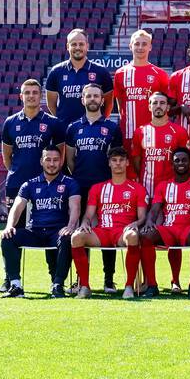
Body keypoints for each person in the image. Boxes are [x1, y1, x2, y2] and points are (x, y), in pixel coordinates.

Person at [0, 78, 65, 292]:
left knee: (50, 227)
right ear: (21, 96)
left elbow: (60, 153)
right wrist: (20, 173)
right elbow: (7, 156)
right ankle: (11, 279)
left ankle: (55, 279)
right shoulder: (10, 122)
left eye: (35, 92)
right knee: (12, 231)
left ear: (41, 96)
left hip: (47, 185)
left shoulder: (53, 123)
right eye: (27, 93)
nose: (31, 96)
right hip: (17, 184)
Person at [64, 82, 123, 292]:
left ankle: (109, 279)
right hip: (80, 186)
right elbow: (70, 160)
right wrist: (80, 178)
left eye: (96, 96)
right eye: (88, 96)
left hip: (107, 188)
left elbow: (116, 159)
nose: (92, 99)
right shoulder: (73, 128)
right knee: (81, 231)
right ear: (82, 99)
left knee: (109, 229)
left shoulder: (112, 127)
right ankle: (81, 279)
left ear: (102, 100)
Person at [0, 145, 79, 298]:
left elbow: (75, 207)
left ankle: (57, 285)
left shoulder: (70, 183)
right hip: (35, 231)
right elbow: (17, 207)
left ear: (61, 162)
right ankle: (15, 285)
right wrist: (9, 226)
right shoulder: (30, 184)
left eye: (55, 160)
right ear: (41, 161)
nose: (52, 163)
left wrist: (70, 226)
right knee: (7, 236)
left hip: (57, 232)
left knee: (67, 237)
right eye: (48, 159)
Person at [70, 147, 148, 298]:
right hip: (103, 231)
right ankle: (85, 286)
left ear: (127, 163)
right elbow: (88, 215)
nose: (118, 164)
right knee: (76, 237)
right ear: (109, 164)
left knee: (132, 236)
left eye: (121, 160)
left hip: (122, 232)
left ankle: (129, 287)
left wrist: (136, 224)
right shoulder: (98, 188)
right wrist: (85, 223)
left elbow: (143, 217)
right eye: (114, 160)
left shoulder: (137, 188)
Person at [140, 147, 190, 298]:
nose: (181, 163)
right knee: (146, 235)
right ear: (172, 164)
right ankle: (152, 285)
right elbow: (154, 209)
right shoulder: (163, 186)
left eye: (184, 160)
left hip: (188, 229)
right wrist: (149, 222)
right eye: (177, 160)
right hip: (169, 229)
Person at [112, 29, 169, 145]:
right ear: (130, 46)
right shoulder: (120, 73)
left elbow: (165, 104)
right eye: (137, 44)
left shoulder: (160, 74)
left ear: (150, 47)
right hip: (128, 131)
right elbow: (120, 104)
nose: (140, 47)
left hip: (153, 131)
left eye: (144, 44)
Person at [45, 28, 113, 125]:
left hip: (92, 131)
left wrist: (98, 122)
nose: (77, 47)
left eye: (81, 44)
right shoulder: (56, 72)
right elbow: (51, 104)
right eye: (73, 44)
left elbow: (109, 105)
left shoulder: (101, 71)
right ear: (68, 46)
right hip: (65, 131)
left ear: (87, 46)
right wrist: (62, 120)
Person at [131, 90, 188, 198]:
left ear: (167, 108)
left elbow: (183, 162)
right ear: (149, 107)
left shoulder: (180, 132)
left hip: (171, 190)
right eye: (154, 103)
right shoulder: (140, 132)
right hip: (147, 190)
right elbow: (137, 162)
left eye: (162, 103)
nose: (158, 106)